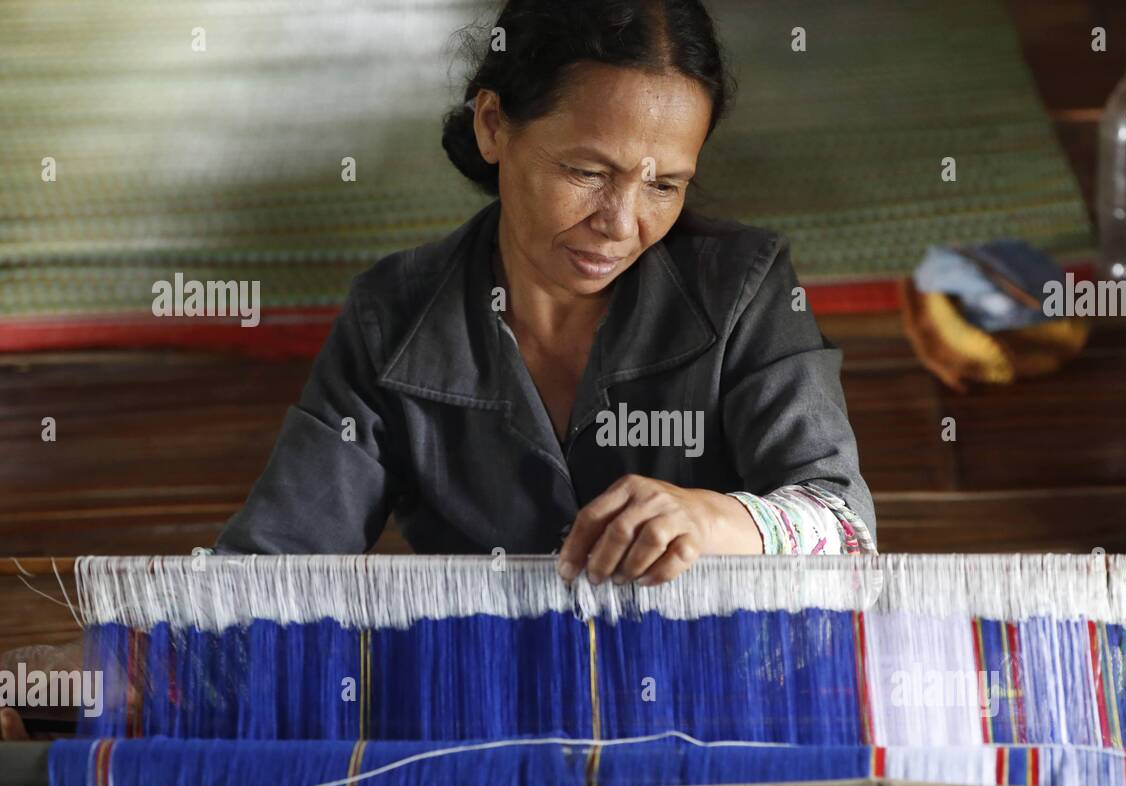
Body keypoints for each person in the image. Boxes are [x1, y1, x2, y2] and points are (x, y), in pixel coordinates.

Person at [215, 0, 876, 585]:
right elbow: (273, 564)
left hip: (705, 699)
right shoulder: (393, 316)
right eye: (587, 171)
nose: (621, 224)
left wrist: (715, 520)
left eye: (664, 185)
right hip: (494, 700)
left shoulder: (743, 288)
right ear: (494, 125)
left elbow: (848, 537)